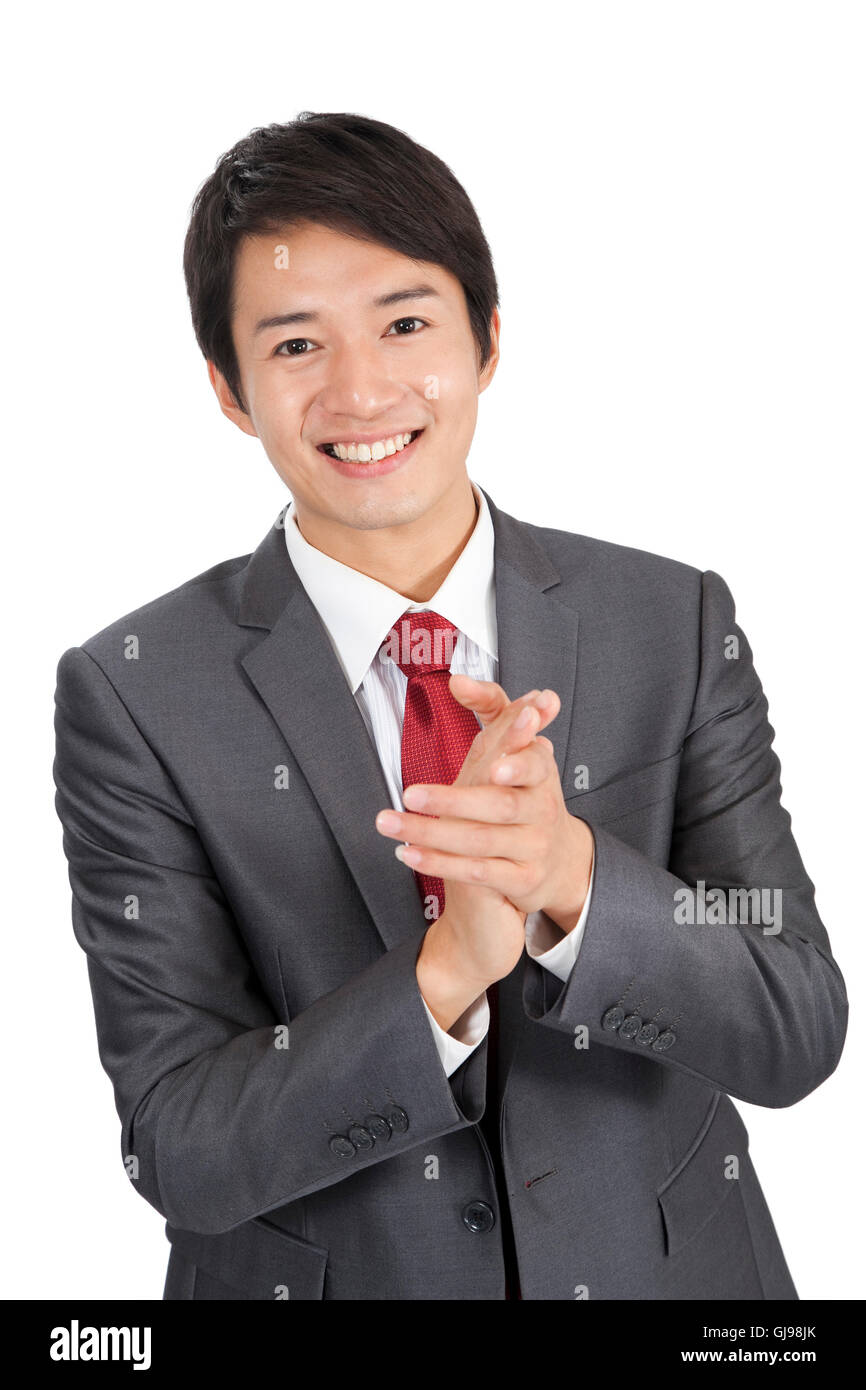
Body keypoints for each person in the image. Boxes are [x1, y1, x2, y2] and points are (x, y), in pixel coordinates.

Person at [53, 112, 848, 1301]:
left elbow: (791, 1018)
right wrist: (438, 977)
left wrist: (576, 882)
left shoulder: (668, 623)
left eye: (406, 323)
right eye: (295, 346)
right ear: (227, 389)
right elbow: (180, 1144)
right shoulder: (135, 690)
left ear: (485, 340)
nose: (361, 389)